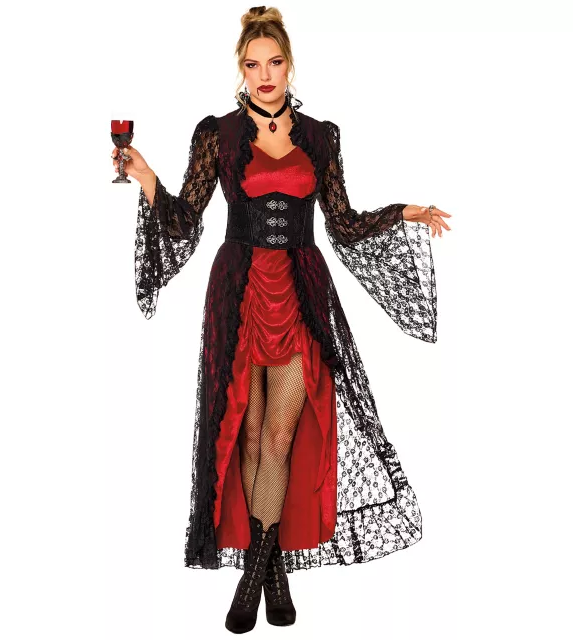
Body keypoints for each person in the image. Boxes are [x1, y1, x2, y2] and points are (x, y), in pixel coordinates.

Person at [111, 5, 452, 634]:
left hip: (298, 291)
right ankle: (270, 571)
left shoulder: (321, 136)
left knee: (279, 436)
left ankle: (254, 574)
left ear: (290, 64)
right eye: (252, 64)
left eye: (274, 62)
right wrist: (146, 175)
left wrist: (404, 211)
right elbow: (184, 221)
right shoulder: (217, 134)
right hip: (239, 293)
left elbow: (342, 222)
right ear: (240, 69)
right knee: (245, 431)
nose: (264, 75)